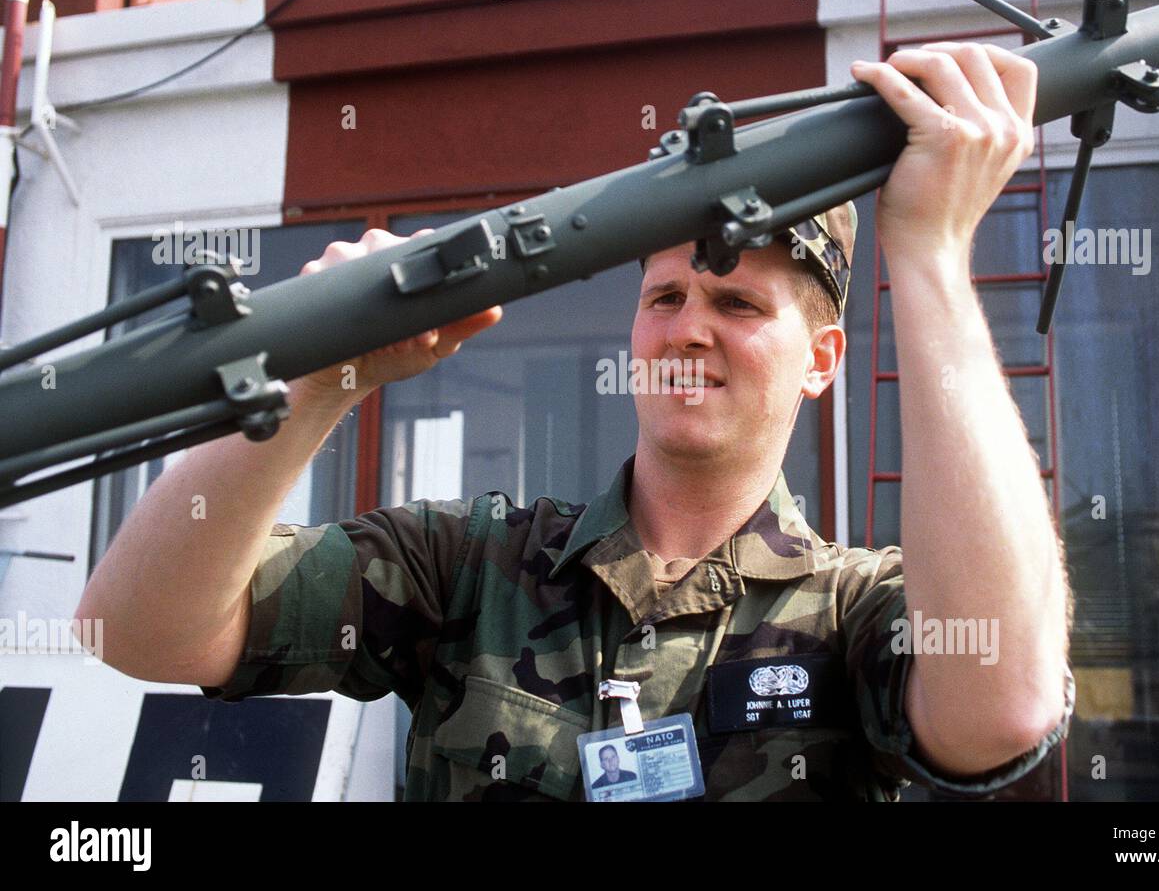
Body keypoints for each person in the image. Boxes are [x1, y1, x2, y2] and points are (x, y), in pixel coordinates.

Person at [78, 43, 1074, 801]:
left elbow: (1003, 707)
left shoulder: (854, 611)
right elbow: (139, 631)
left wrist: (933, 253)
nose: (689, 330)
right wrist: (314, 378)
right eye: (665, 296)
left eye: (738, 307)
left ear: (820, 362)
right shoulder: (471, 567)